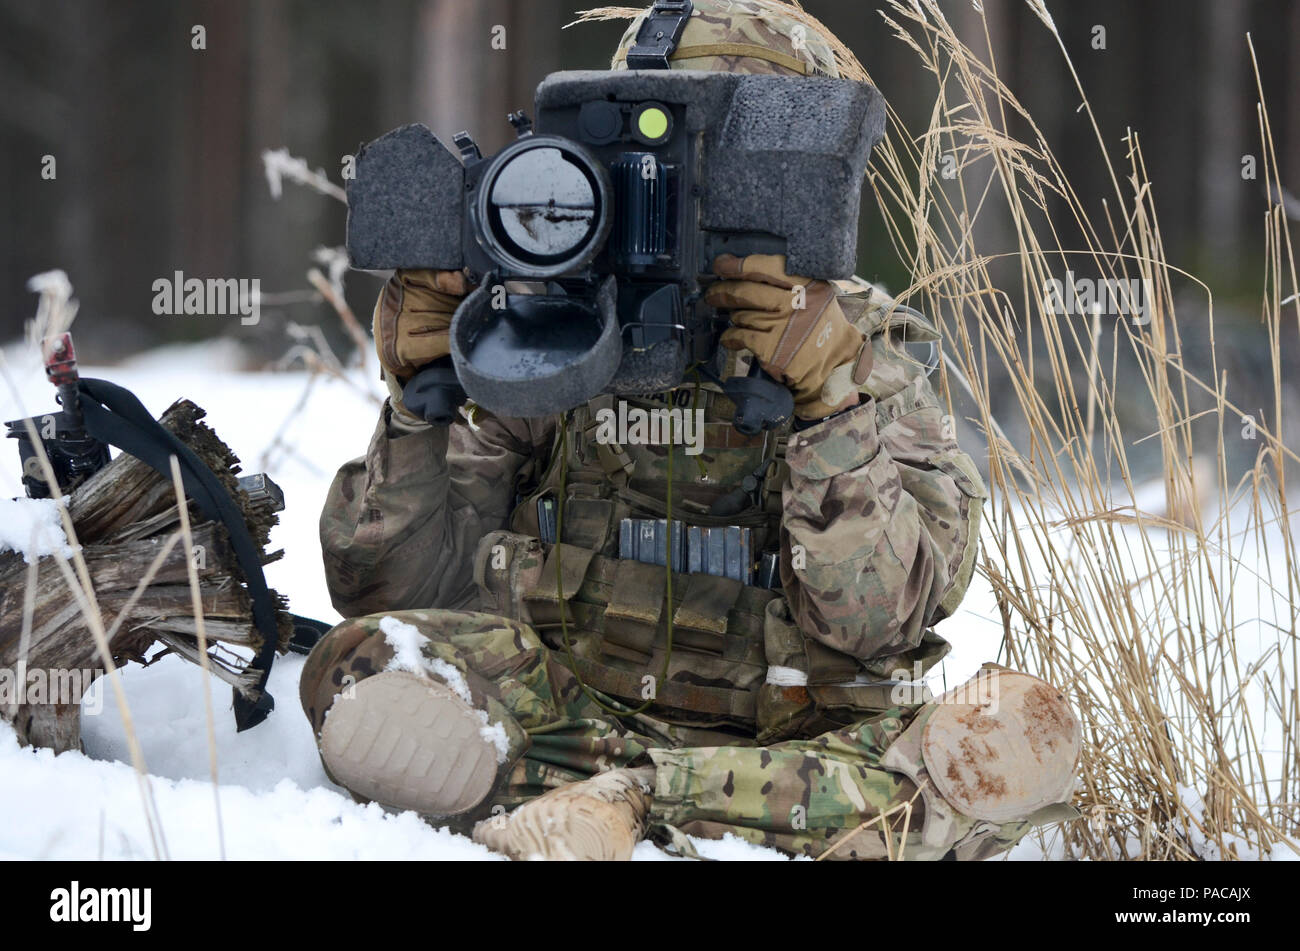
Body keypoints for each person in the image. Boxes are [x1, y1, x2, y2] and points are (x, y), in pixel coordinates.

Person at [299, 0, 1080, 861]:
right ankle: (678, 810)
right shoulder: (562, 318)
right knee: (363, 659)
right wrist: (423, 400)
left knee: (1015, 738)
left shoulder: (863, 347)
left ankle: (628, 805)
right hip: (576, 720)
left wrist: (825, 400)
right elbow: (388, 589)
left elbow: (876, 627)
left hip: (796, 754)